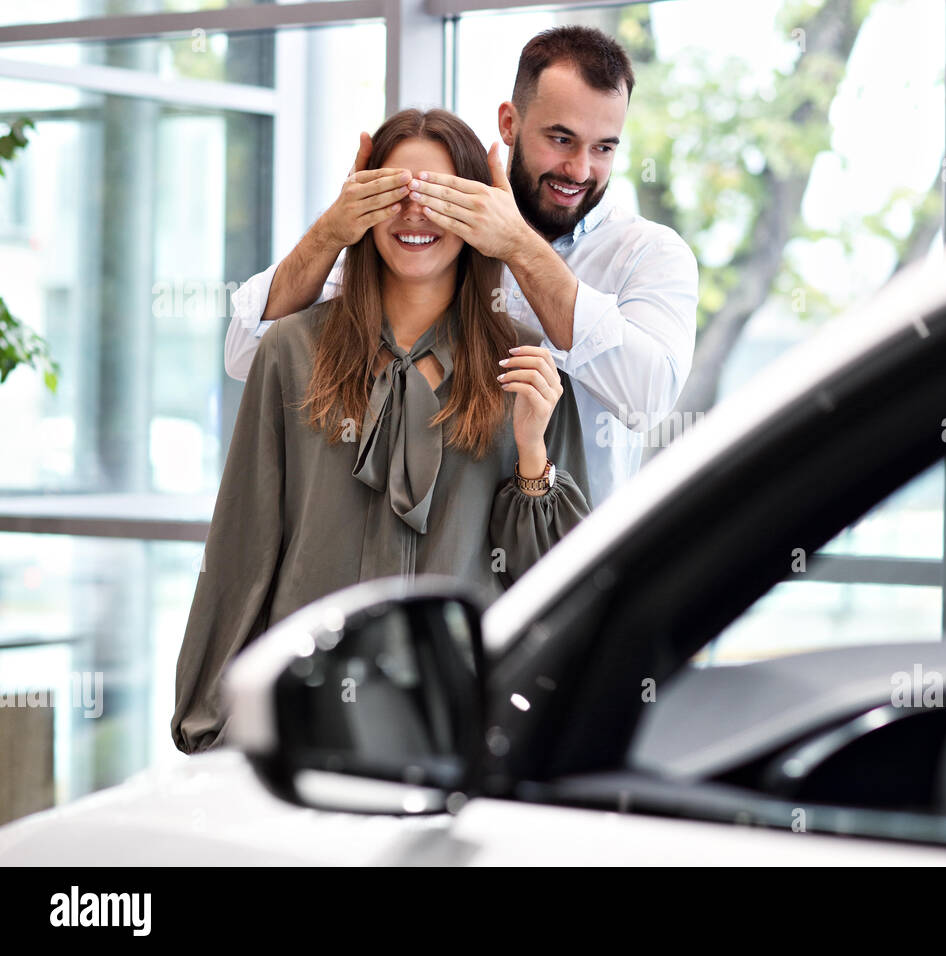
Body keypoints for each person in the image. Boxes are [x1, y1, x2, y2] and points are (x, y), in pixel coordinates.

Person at [172, 108, 590, 755]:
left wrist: (532, 453)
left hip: (457, 729)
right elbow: (242, 543)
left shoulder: (525, 365)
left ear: (476, 211)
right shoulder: (290, 352)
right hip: (306, 719)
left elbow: (555, 586)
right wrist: (208, 722)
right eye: (394, 193)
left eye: (441, 196)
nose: (415, 214)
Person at [226, 26, 699, 508]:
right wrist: (331, 232)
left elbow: (647, 401)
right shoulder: (448, 232)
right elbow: (246, 348)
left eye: (603, 148)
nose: (579, 170)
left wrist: (518, 246)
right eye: (561, 139)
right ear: (509, 124)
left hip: (575, 558)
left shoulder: (650, 253)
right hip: (445, 549)